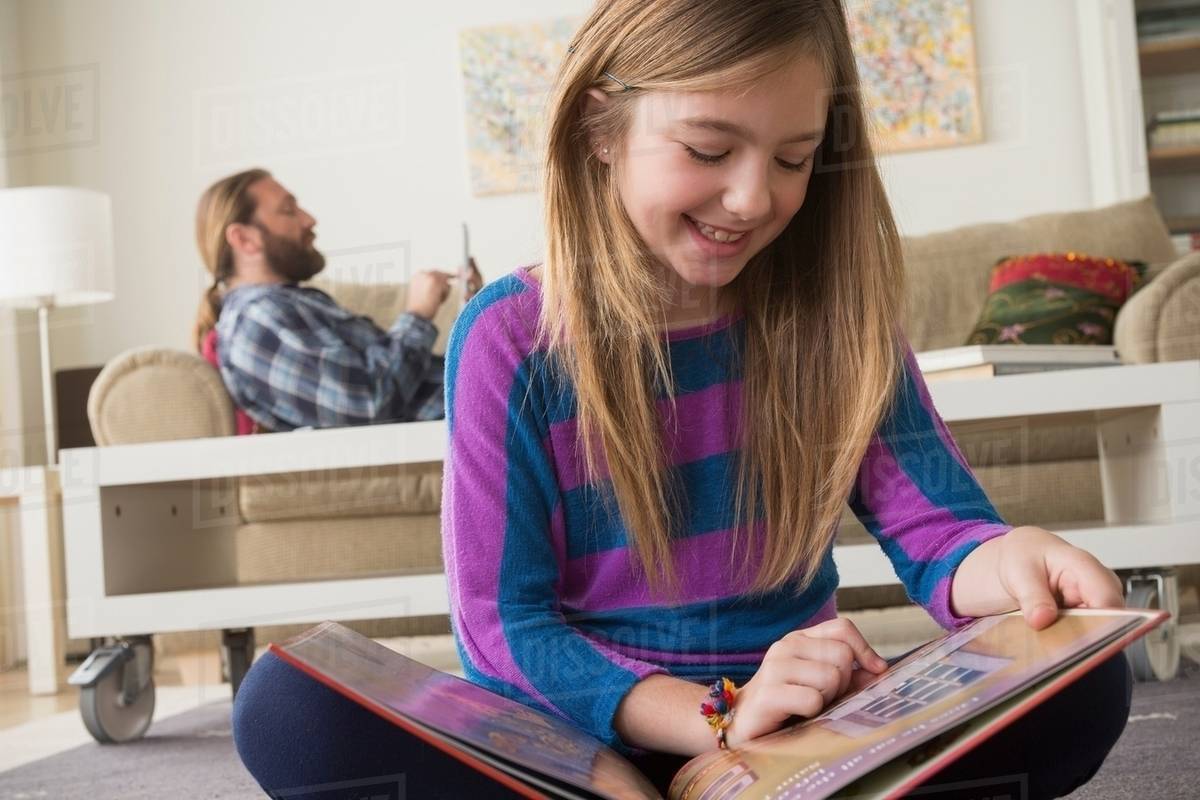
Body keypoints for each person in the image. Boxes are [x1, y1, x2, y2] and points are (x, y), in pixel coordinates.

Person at [231, 2, 1132, 798]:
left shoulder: (838, 316)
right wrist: (713, 720)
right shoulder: (508, 335)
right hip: (585, 741)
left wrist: (1013, 563)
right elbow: (503, 629)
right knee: (288, 709)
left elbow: (942, 539)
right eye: (708, 149)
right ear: (599, 127)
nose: (753, 197)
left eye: (794, 158)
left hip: (797, 736)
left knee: (1086, 675)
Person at [192, 168, 483, 432]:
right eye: (288, 210)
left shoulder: (285, 306)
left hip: (478, 406)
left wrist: (472, 312)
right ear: (244, 239)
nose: (309, 219)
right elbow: (369, 403)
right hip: (466, 423)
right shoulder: (256, 320)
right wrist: (418, 316)